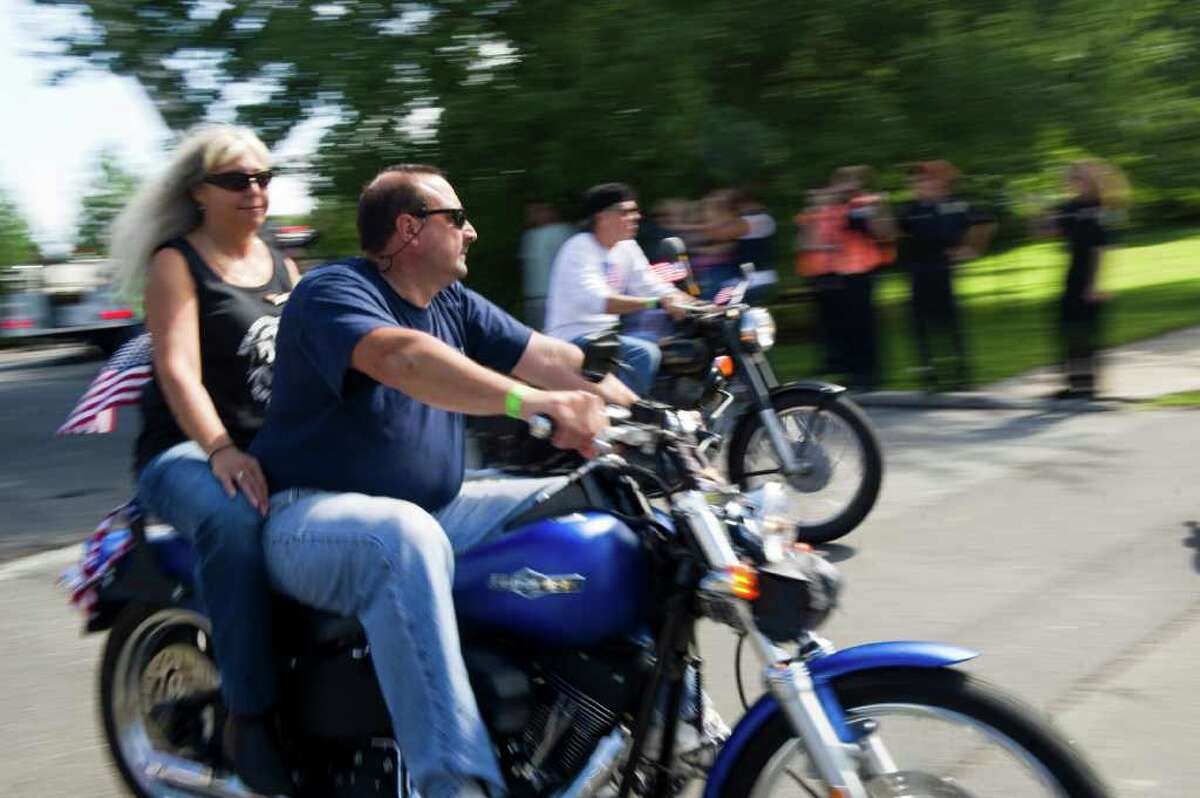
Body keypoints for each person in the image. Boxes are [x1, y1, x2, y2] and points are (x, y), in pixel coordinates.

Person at [250, 164, 638, 798]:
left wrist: (629, 398)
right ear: (408, 229)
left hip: (440, 506)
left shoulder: (451, 301)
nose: (473, 232)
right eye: (457, 219)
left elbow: (547, 356)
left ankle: (606, 728)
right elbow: (402, 359)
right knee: (401, 541)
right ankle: (455, 782)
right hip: (311, 518)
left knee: (592, 504)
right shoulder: (332, 292)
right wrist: (530, 404)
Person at [109, 124, 300, 795]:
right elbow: (178, 371)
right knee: (233, 523)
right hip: (183, 453)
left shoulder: (282, 263)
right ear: (199, 192)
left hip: (264, 449)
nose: (255, 190)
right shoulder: (177, 262)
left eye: (264, 177)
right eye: (236, 180)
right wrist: (219, 448)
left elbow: (309, 365)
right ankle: (251, 716)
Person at [543, 183, 692, 395]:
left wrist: (697, 303)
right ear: (602, 218)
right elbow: (599, 301)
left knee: (675, 347)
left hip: (605, 338)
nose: (636, 216)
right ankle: (625, 417)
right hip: (573, 339)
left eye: (635, 211)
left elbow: (651, 284)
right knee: (644, 352)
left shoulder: (626, 247)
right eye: (626, 212)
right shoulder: (579, 248)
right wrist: (656, 302)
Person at [895, 160, 995, 391]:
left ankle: (961, 375)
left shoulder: (955, 205)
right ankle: (929, 376)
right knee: (920, 325)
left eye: (924, 180)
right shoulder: (908, 209)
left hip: (943, 271)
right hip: (917, 273)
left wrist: (972, 248)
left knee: (950, 324)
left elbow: (985, 222)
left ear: (939, 182)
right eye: (915, 181)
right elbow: (891, 234)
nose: (918, 184)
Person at [1041, 160, 1127, 399]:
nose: (1072, 182)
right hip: (1072, 273)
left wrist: (1096, 284)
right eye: (1070, 178)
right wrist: (1042, 215)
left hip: (1091, 273)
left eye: (1077, 178)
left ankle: (1090, 386)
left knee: (1089, 331)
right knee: (1067, 329)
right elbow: (1048, 232)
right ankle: (1073, 384)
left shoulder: (1105, 208)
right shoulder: (1068, 206)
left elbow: (1102, 248)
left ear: (1089, 180)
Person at [518, 201, 573, 330]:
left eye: (538, 211)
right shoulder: (530, 236)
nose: (533, 216)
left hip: (554, 297)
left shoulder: (561, 231)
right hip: (533, 299)